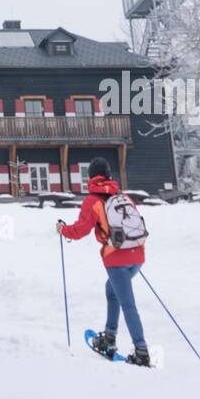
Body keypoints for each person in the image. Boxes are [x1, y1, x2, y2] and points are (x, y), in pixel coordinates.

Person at [57, 156, 150, 366]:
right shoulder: (122, 195)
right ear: (109, 175)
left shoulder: (93, 200)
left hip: (116, 257)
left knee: (127, 303)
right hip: (138, 254)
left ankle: (141, 351)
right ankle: (109, 335)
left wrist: (63, 230)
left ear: (90, 177)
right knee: (112, 290)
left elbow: (80, 230)